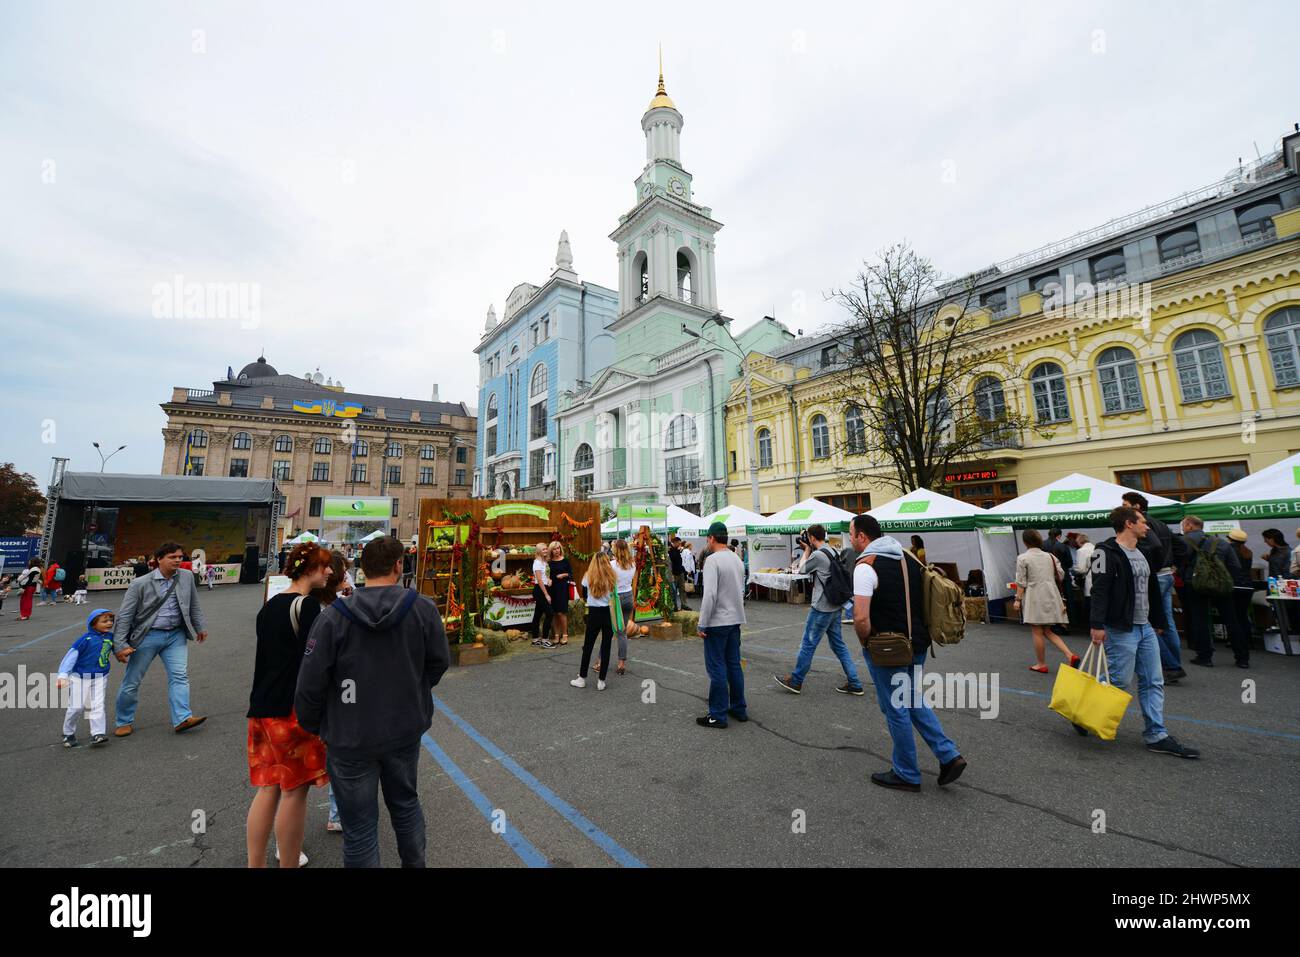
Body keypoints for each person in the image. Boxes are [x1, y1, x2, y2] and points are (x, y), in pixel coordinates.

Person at [295, 535, 450, 868]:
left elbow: (310, 682)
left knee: (360, 827)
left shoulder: (333, 617)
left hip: (350, 736)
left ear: (362, 569)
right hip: (404, 728)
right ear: (398, 566)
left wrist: (316, 725)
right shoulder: (421, 608)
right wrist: (415, 690)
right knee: (406, 804)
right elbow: (438, 662)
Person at [850, 514, 965, 791]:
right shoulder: (909, 559)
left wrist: (866, 643)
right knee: (911, 698)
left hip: (889, 648)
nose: (851, 539)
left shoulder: (866, 566)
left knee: (896, 708)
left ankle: (906, 772)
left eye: (852, 534)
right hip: (919, 643)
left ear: (862, 537)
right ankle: (948, 755)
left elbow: (861, 618)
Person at [246, 543, 332, 869]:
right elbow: (315, 662)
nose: (328, 572)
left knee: (268, 787)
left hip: (262, 707)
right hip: (292, 712)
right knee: (295, 792)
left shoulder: (270, 606)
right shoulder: (306, 607)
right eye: (323, 566)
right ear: (309, 569)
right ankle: (289, 864)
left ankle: (255, 864)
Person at [1089, 506, 1199, 758]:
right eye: (1142, 522)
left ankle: (1156, 735)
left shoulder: (1144, 552)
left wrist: (1157, 620)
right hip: (1119, 627)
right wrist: (1096, 625)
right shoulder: (1103, 552)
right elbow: (1099, 590)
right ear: (1128, 524)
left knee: (1153, 680)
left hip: (1145, 627)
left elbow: (1151, 588)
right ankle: (1085, 713)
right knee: (1118, 682)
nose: (1147, 526)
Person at [111, 542, 209, 736]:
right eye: (173, 557)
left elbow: (193, 604)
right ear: (159, 559)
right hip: (147, 636)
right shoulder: (140, 583)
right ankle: (124, 721)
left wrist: (200, 626)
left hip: (175, 635)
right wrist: (119, 645)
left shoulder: (187, 576)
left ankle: (182, 718)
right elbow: (125, 616)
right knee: (132, 680)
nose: (178, 560)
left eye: (180, 557)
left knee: (180, 676)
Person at [775, 524, 864, 696]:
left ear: (812, 538)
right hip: (835, 606)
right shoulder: (832, 551)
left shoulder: (817, 554)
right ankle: (855, 682)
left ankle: (796, 681)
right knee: (839, 645)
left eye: (808, 537)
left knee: (808, 644)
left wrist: (807, 550)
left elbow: (801, 569)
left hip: (822, 607)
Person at [1122, 491, 1184, 682]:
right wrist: (1175, 566)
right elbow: (1182, 546)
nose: (1123, 508)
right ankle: (1175, 662)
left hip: (1155, 576)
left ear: (1137, 507)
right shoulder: (1162, 524)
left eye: (1125, 505)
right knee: (1166, 621)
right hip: (1166, 574)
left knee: (1146, 622)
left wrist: (1152, 568)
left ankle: (1170, 665)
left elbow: (1155, 547)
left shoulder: (1142, 526)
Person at [311, 550, 351, 834]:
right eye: (344, 572)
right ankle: (338, 813)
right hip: (333, 692)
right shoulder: (322, 611)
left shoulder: (332, 603)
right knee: (340, 754)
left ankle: (337, 813)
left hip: (325, 693)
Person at [695, 522, 747, 729]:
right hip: (735, 618)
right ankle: (738, 707)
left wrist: (702, 623)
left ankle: (717, 714)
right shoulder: (736, 559)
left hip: (717, 621)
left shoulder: (712, 561)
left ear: (711, 538)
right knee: (734, 665)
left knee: (716, 667)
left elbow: (710, 595)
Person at [1180, 515, 1249, 669]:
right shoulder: (1222, 542)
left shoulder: (1184, 542)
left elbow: (1179, 562)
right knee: (1231, 619)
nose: (1183, 528)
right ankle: (1242, 657)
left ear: (1190, 525)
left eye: (1184, 525)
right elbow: (1235, 566)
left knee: (1200, 619)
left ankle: (1205, 656)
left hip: (1195, 584)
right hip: (1221, 585)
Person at [1014, 529, 1079, 673]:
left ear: (1025, 542)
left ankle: (1041, 663)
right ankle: (1070, 655)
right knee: (1048, 631)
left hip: (1034, 595)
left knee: (1037, 631)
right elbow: (1061, 575)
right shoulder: (1050, 556)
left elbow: (1021, 581)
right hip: (1051, 594)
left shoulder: (1023, 558)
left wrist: (1017, 600)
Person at [56, 608, 116, 748]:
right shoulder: (85, 640)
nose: (109, 623)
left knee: (97, 705)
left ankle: (98, 733)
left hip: (101, 676)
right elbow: (70, 658)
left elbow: (116, 649)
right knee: (76, 707)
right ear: (93, 623)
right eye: (105, 621)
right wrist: (63, 675)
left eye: (111, 620)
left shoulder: (110, 637)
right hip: (80, 677)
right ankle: (68, 733)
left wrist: (123, 653)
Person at [571, 552, 618, 691]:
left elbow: (584, 593)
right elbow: (613, 594)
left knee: (588, 646)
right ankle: (601, 681)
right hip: (606, 612)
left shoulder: (587, 576)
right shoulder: (612, 576)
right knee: (606, 647)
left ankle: (582, 678)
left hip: (593, 613)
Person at [596, 538, 637, 677]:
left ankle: (600, 661)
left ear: (616, 550)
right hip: (628, 597)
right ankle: (621, 663)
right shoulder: (632, 564)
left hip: (616, 599)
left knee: (608, 632)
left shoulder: (612, 565)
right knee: (622, 632)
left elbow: (606, 582)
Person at [1227, 529, 1256, 644]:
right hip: (1248, 586)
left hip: (1234, 585)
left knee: (1233, 615)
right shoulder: (1248, 551)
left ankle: (1236, 640)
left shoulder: (1229, 550)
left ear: (1230, 539)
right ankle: (1247, 639)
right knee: (1242, 615)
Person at [1045, 528, 1076, 632]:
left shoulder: (1042, 545)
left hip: (1047, 577)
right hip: (1063, 578)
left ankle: (1052, 624)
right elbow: (1069, 563)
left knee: (1050, 601)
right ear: (1059, 535)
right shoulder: (1063, 546)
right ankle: (1066, 623)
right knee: (1066, 600)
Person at [529, 541, 553, 648]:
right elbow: (539, 580)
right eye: (543, 549)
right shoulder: (537, 563)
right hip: (540, 590)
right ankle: (545, 640)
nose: (546, 550)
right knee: (550, 613)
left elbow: (545, 576)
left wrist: (549, 579)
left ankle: (535, 638)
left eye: (546, 548)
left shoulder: (544, 562)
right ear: (538, 551)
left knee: (537, 614)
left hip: (544, 587)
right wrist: (546, 594)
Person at [548, 541, 572, 646]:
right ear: (551, 550)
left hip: (562, 589)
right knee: (554, 613)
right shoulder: (549, 562)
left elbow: (571, 574)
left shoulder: (565, 561)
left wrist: (563, 575)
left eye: (558, 548)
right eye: (554, 549)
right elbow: (546, 575)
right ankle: (556, 634)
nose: (556, 550)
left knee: (561, 612)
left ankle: (565, 634)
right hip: (552, 589)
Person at [1071, 533, 1095, 626]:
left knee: (1089, 605)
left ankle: (1089, 625)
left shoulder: (1081, 551)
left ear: (1079, 542)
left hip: (1089, 581)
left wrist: (1073, 569)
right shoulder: (1096, 548)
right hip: (1097, 580)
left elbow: (1080, 569)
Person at [668, 537, 689, 611]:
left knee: (682, 590)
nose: (680, 544)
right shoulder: (670, 550)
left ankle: (684, 604)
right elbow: (672, 561)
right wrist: (671, 575)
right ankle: (674, 606)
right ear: (674, 542)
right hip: (674, 574)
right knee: (673, 591)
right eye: (679, 543)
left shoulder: (678, 550)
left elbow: (681, 561)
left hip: (680, 572)